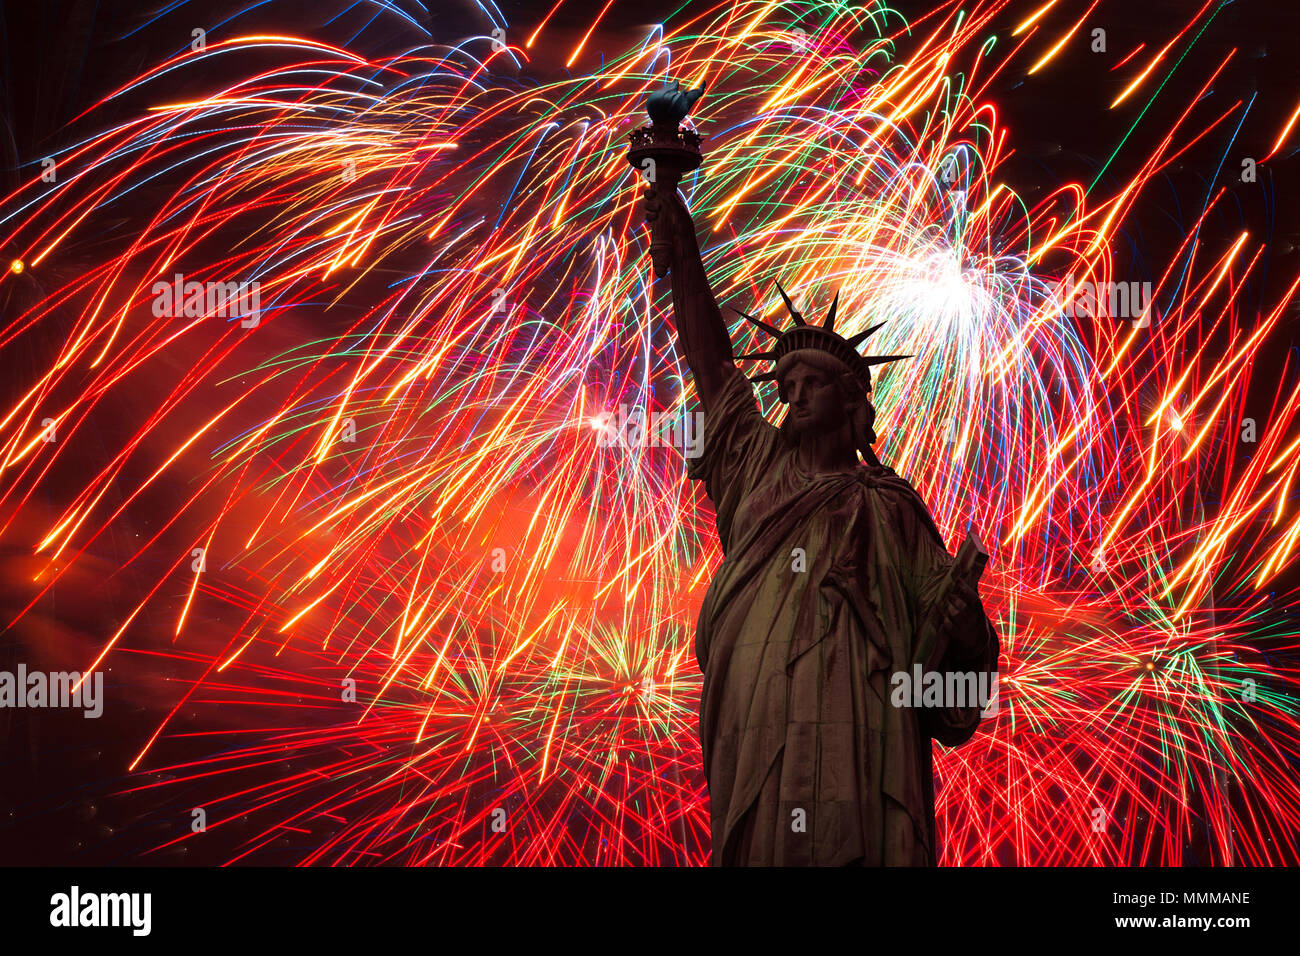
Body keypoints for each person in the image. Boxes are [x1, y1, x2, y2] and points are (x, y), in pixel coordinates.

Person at [644, 184, 1000, 866]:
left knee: (855, 833)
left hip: (862, 713)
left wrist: (960, 623)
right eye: (787, 384)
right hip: (757, 699)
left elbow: (953, 648)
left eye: (813, 383)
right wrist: (683, 248)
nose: (795, 395)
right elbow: (711, 361)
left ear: (850, 400)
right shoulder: (754, 464)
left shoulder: (890, 506)